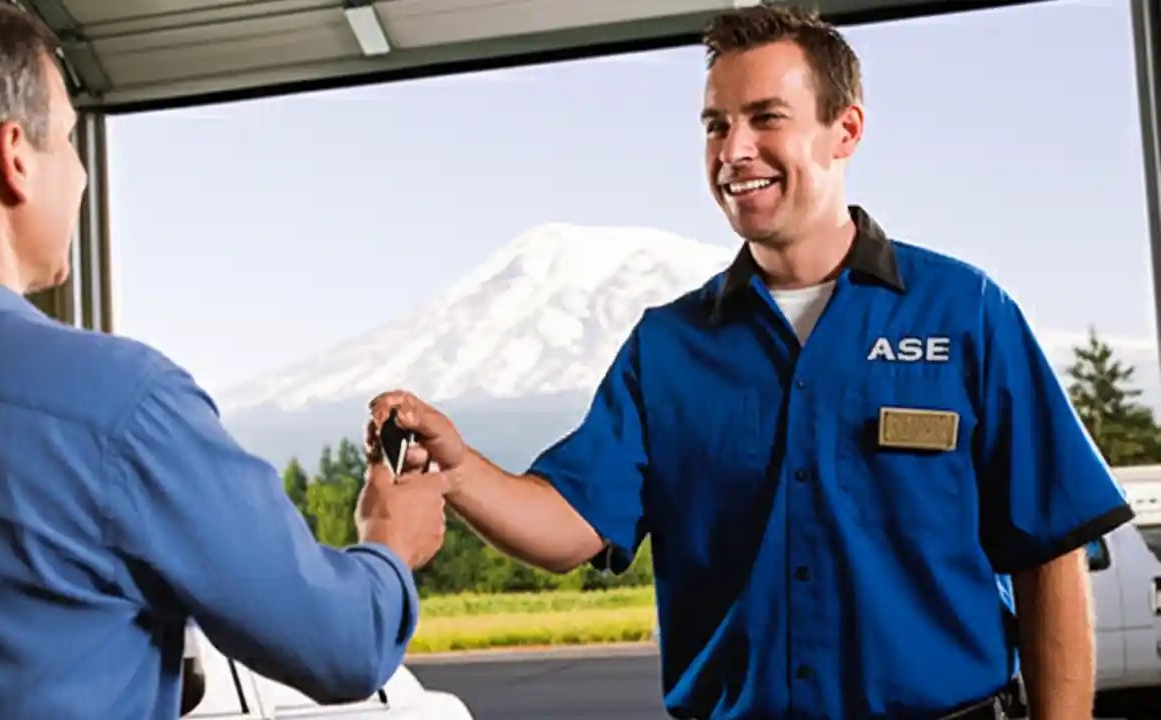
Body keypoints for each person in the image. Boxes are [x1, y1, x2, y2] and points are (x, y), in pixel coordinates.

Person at [368, 5, 1134, 719]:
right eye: (715, 125)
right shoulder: (666, 347)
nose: (734, 151)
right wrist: (458, 467)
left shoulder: (965, 312)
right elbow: (572, 524)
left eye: (765, 118)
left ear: (846, 129)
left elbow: (1051, 551)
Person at [0, 2, 450, 718]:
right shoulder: (116, 406)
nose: (82, 177)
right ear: (15, 156)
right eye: (70, 142)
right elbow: (342, 646)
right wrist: (389, 546)